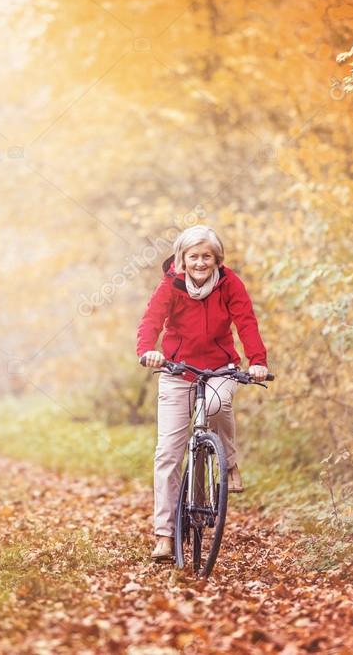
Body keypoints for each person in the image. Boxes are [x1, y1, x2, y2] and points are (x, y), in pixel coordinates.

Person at [136, 225, 268, 562]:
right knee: (167, 453)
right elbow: (151, 321)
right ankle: (165, 536)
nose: (199, 263)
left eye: (206, 256)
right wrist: (147, 350)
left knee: (217, 402)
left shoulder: (230, 284)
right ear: (182, 259)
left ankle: (229, 464)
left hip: (219, 368)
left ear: (216, 259)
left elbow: (246, 322)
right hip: (177, 371)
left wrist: (257, 361)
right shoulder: (170, 286)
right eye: (193, 256)